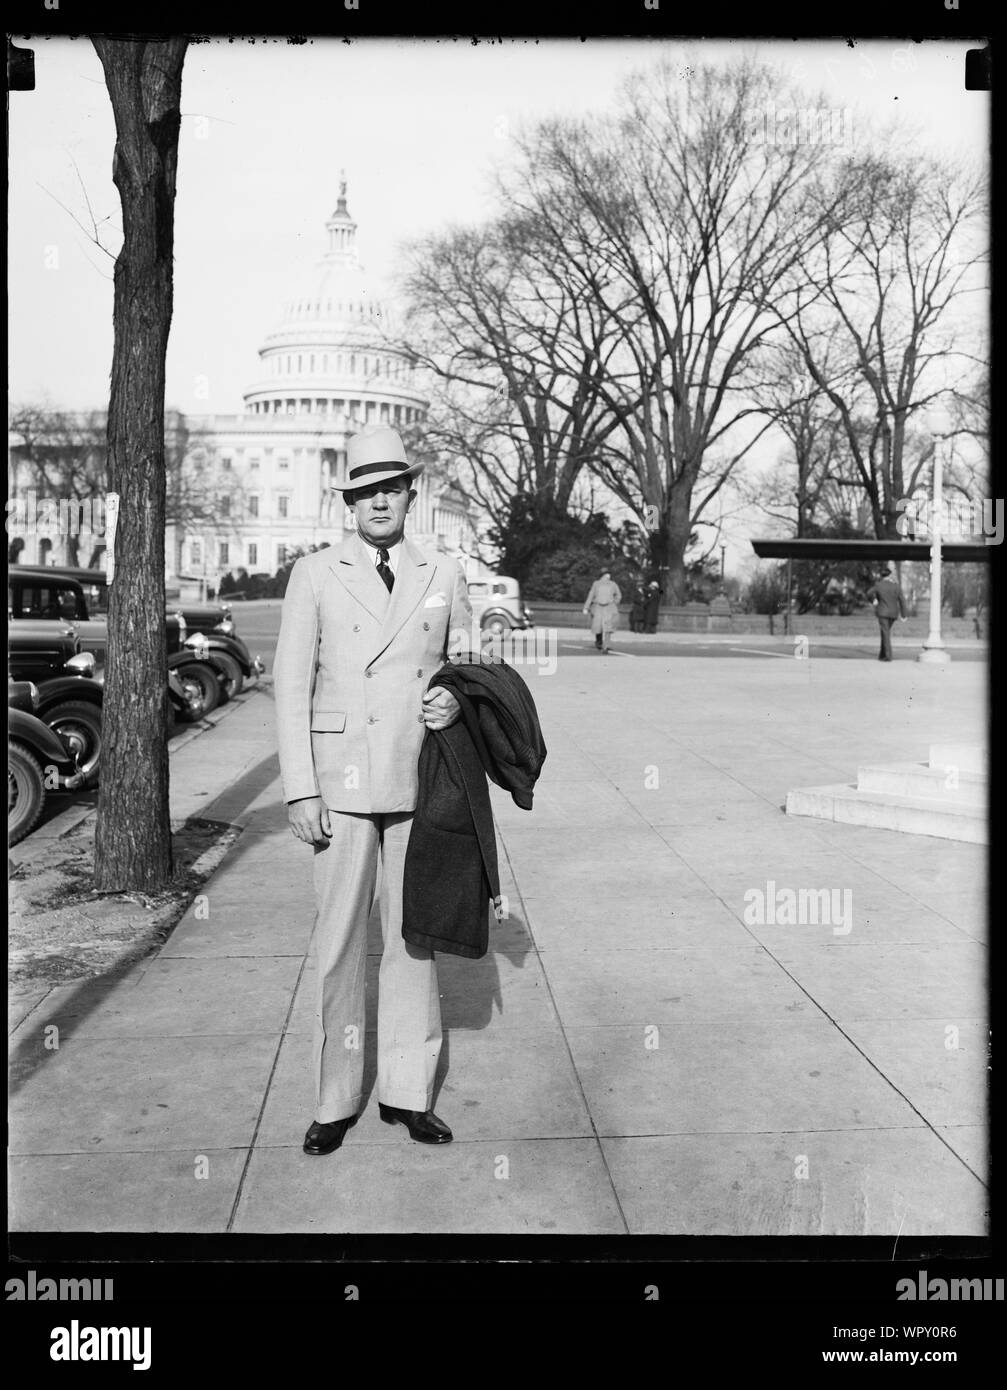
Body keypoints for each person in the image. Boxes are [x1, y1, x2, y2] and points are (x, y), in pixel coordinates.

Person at [273, 426, 473, 1157]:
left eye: (391, 488)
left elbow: (467, 663)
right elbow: (290, 687)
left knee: (414, 942)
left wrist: (453, 700)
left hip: (419, 777)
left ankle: (407, 1092)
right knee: (336, 947)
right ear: (347, 502)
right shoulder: (315, 574)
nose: (379, 501)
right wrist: (300, 790)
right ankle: (334, 1099)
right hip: (340, 783)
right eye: (365, 491)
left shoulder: (443, 572)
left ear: (409, 497)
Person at [865, 565, 907, 661]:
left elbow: (868, 593)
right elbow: (902, 600)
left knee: (885, 633)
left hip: (883, 613)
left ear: (881, 575)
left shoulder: (878, 585)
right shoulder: (896, 586)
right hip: (893, 614)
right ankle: (882, 655)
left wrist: (873, 600)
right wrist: (904, 615)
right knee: (885, 633)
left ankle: (888, 656)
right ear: (890, 575)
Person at [583, 570, 621, 652]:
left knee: (598, 626)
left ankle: (599, 643)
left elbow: (591, 595)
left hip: (598, 607)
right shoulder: (613, 584)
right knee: (607, 627)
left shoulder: (596, 584)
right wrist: (614, 603)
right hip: (608, 607)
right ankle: (605, 645)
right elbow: (619, 596)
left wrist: (586, 607)